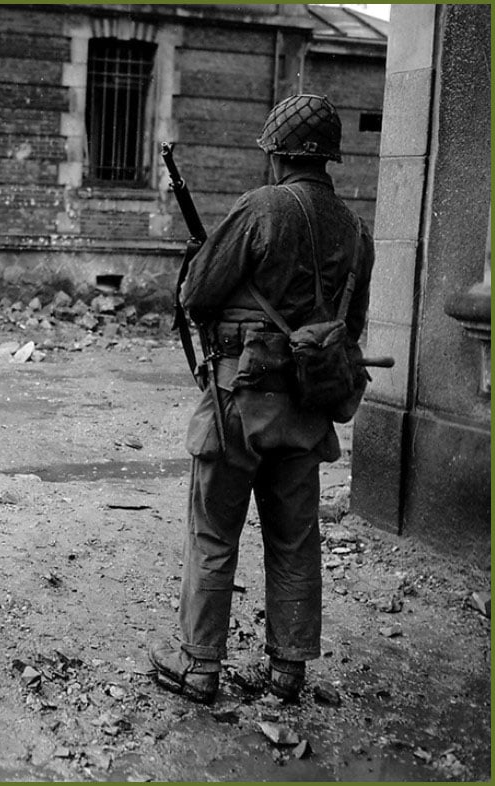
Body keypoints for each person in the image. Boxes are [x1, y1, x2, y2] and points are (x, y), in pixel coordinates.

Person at [149, 95, 374, 705]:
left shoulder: (261, 208)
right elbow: (350, 327)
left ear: (276, 154)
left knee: (215, 532)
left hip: (238, 406)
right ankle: (288, 671)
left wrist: (201, 262)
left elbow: (197, 296)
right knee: (295, 539)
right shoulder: (357, 231)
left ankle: (199, 668)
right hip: (307, 409)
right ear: (328, 158)